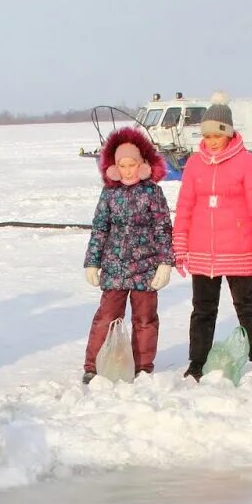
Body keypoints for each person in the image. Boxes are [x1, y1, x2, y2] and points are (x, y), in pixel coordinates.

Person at [173, 100, 252, 375]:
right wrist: (180, 243)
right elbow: (184, 207)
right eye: (207, 136)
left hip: (238, 249)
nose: (212, 141)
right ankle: (197, 362)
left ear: (229, 132)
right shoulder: (194, 164)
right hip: (202, 250)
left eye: (217, 135)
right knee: (203, 310)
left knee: (247, 306)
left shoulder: (248, 162)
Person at [82, 128, 173, 382]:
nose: (128, 170)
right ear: (114, 167)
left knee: (145, 319)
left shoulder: (152, 192)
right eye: (122, 165)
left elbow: (163, 228)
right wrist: (92, 262)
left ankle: (143, 366)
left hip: (146, 267)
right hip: (114, 266)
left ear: (142, 164)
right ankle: (93, 365)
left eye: (132, 164)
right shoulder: (110, 194)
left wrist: (165, 263)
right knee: (107, 317)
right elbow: (100, 228)